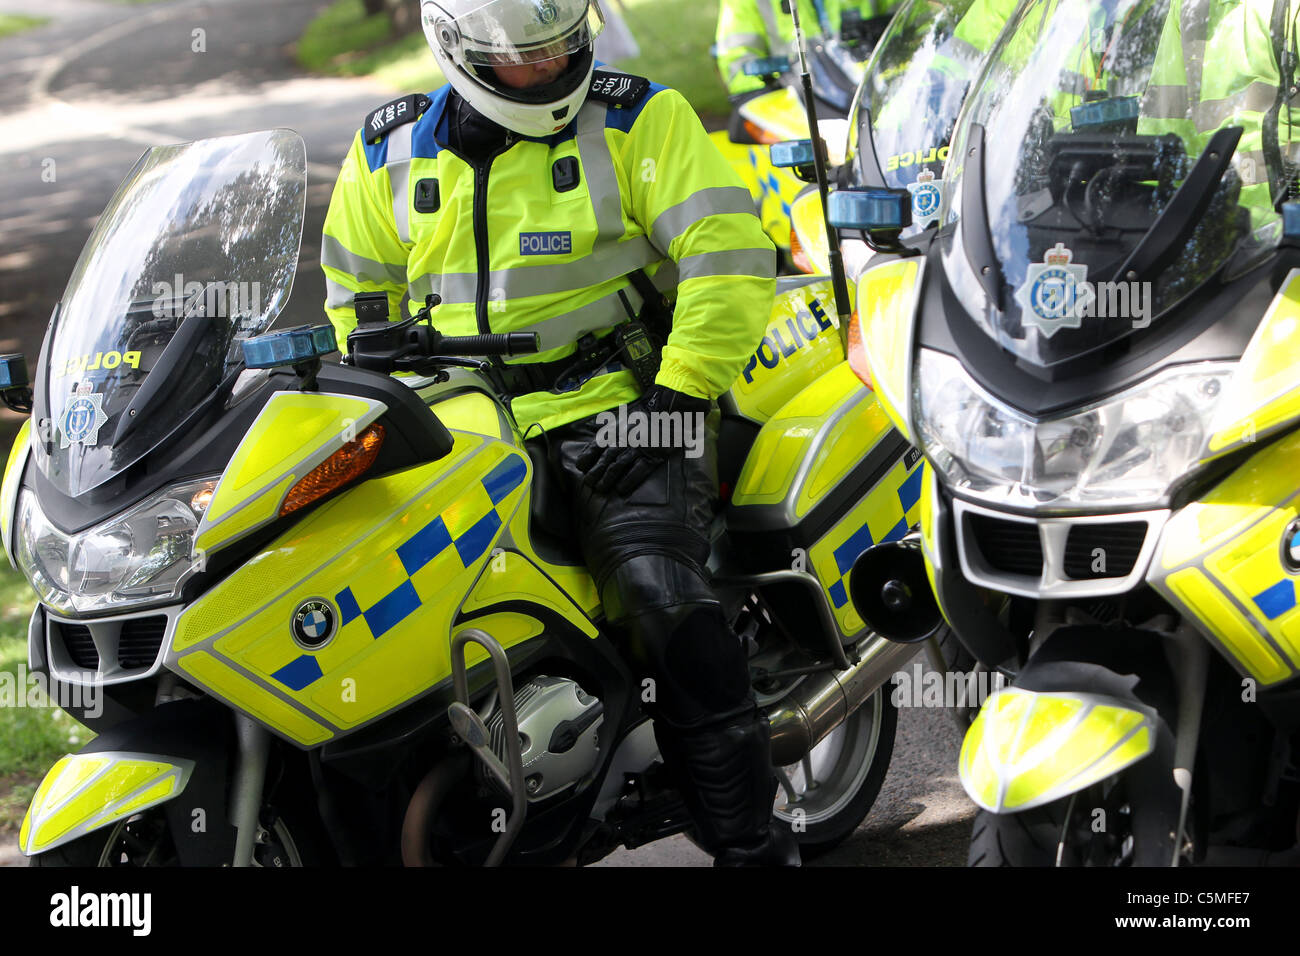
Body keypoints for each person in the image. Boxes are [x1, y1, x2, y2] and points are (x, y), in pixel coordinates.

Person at [321, 0, 796, 865]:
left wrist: (678, 398)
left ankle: (751, 847)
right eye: (522, 58)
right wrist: (377, 370)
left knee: (664, 605)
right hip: (459, 428)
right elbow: (357, 294)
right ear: (455, 51)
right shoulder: (386, 146)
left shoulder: (637, 115)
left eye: (560, 47)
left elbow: (727, 254)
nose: (547, 69)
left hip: (621, 409)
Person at [715, 0, 907, 96]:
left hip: (879, 92)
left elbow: (913, 23)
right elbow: (736, 62)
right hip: (800, 104)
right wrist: (781, 93)